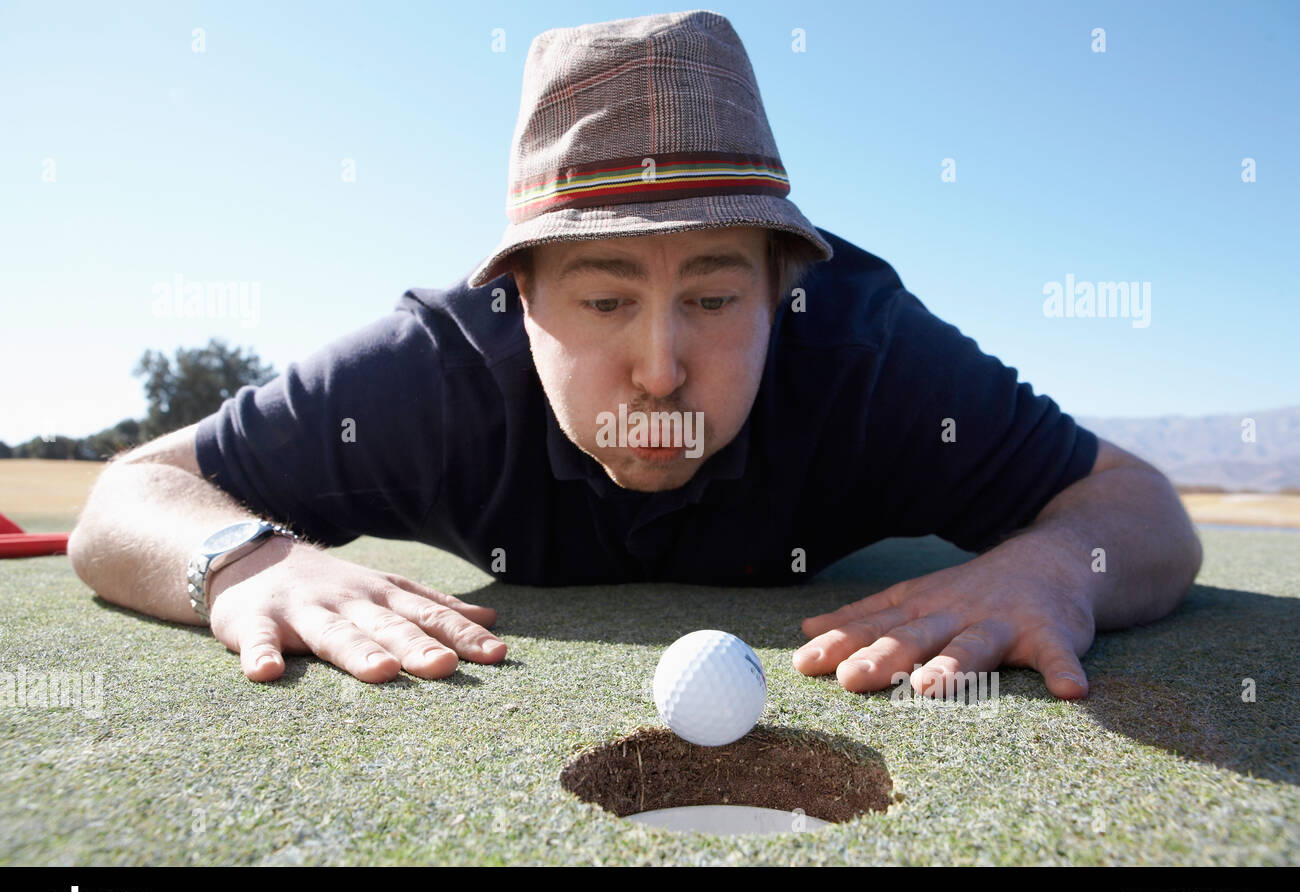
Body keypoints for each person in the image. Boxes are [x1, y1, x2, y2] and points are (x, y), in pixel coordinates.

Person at [68, 10, 1202, 702]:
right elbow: (128, 497)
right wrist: (240, 558)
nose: (659, 368)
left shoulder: (866, 349)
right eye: (604, 297)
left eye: (712, 293)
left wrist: (1052, 567)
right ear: (516, 294)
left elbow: (1139, 505)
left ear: (781, 284)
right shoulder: (426, 373)